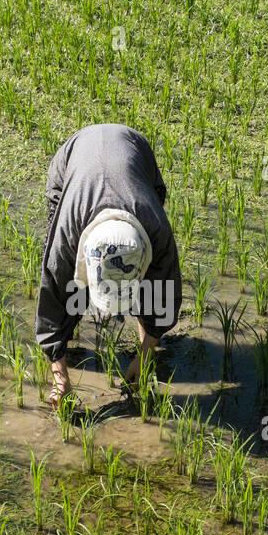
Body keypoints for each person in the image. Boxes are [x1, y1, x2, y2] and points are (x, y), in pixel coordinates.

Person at [35, 124, 182, 408]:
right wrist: (59, 377)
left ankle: (146, 341)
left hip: (135, 149)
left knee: (154, 288)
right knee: (64, 284)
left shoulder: (156, 230)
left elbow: (165, 289)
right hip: (73, 158)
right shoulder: (67, 236)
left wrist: (145, 354)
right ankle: (64, 361)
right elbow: (51, 301)